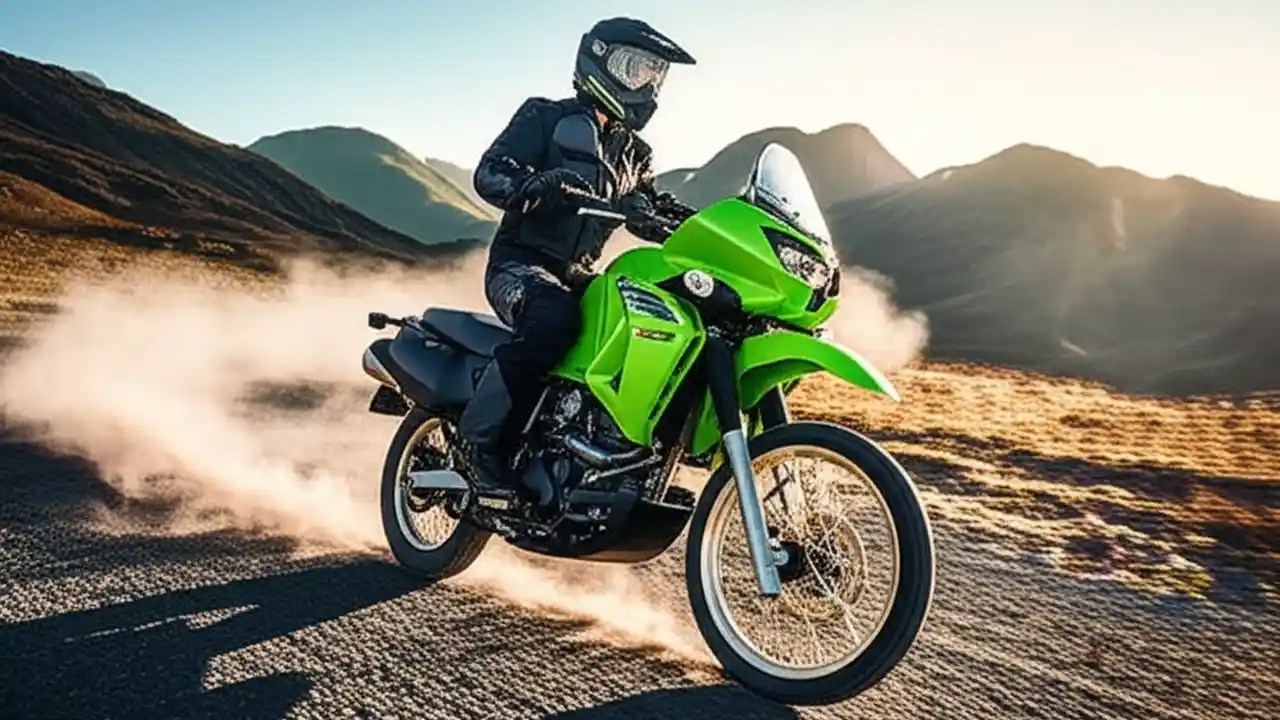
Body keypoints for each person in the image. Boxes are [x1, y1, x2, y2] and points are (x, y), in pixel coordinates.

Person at [459, 17, 698, 501]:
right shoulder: (544, 117)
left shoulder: (635, 153)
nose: (647, 85)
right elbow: (490, 173)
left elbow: (645, 205)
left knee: (646, 322)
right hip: (519, 265)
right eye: (637, 70)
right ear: (599, 60)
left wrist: (686, 225)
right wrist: (533, 188)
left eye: (655, 75)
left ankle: (599, 451)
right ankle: (477, 444)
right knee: (552, 319)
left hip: (577, 273)